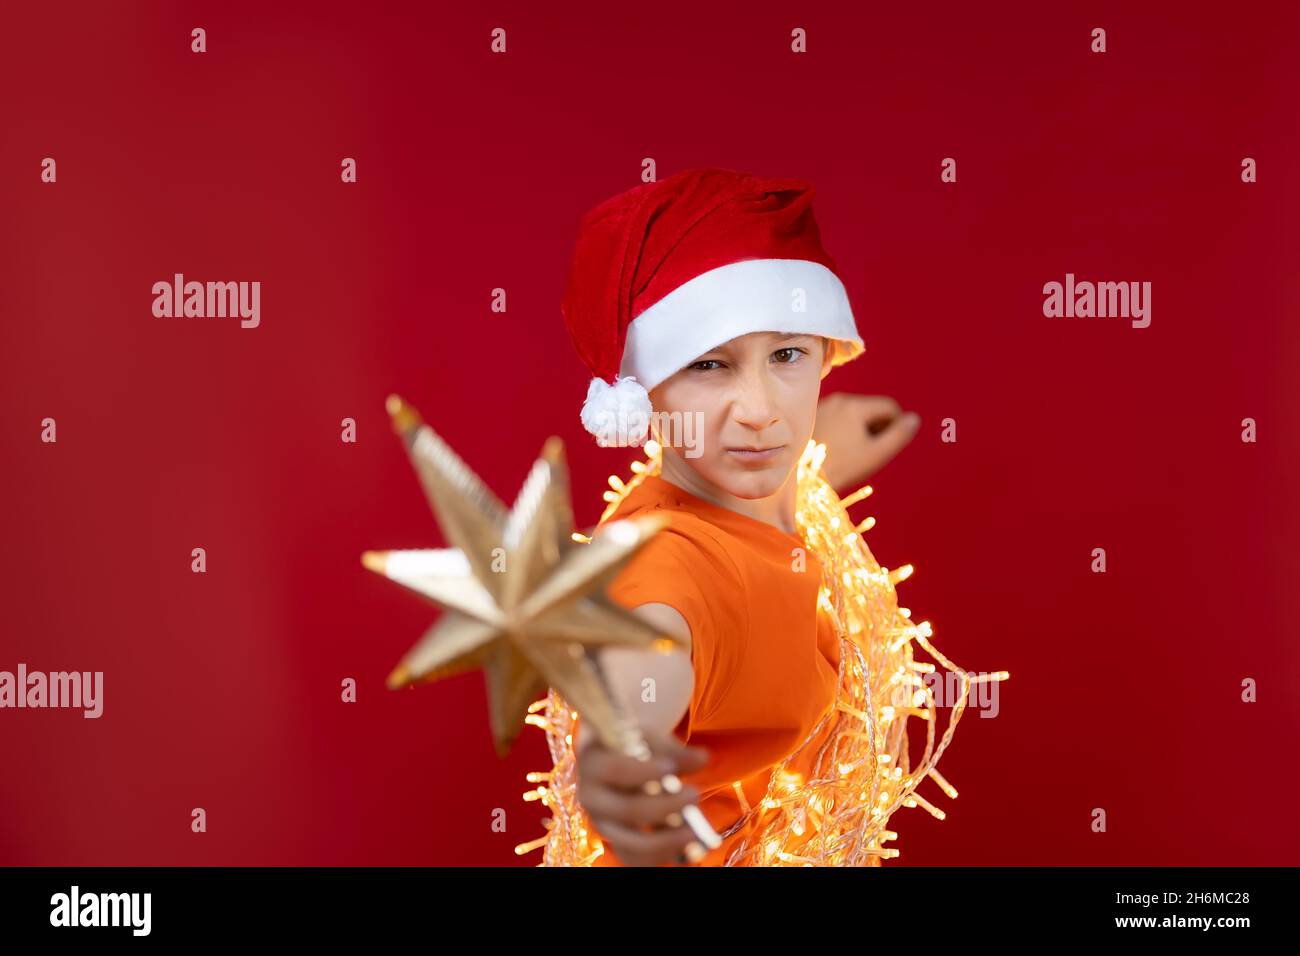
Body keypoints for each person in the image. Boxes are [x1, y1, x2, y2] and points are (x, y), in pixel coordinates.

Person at [556, 168, 919, 866]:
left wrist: (824, 456)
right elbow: (640, 662)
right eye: (709, 366)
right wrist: (615, 775)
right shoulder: (663, 569)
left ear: (826, 356)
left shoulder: (746, 499)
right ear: (644, 390)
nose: (759, 410)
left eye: (786, 354)